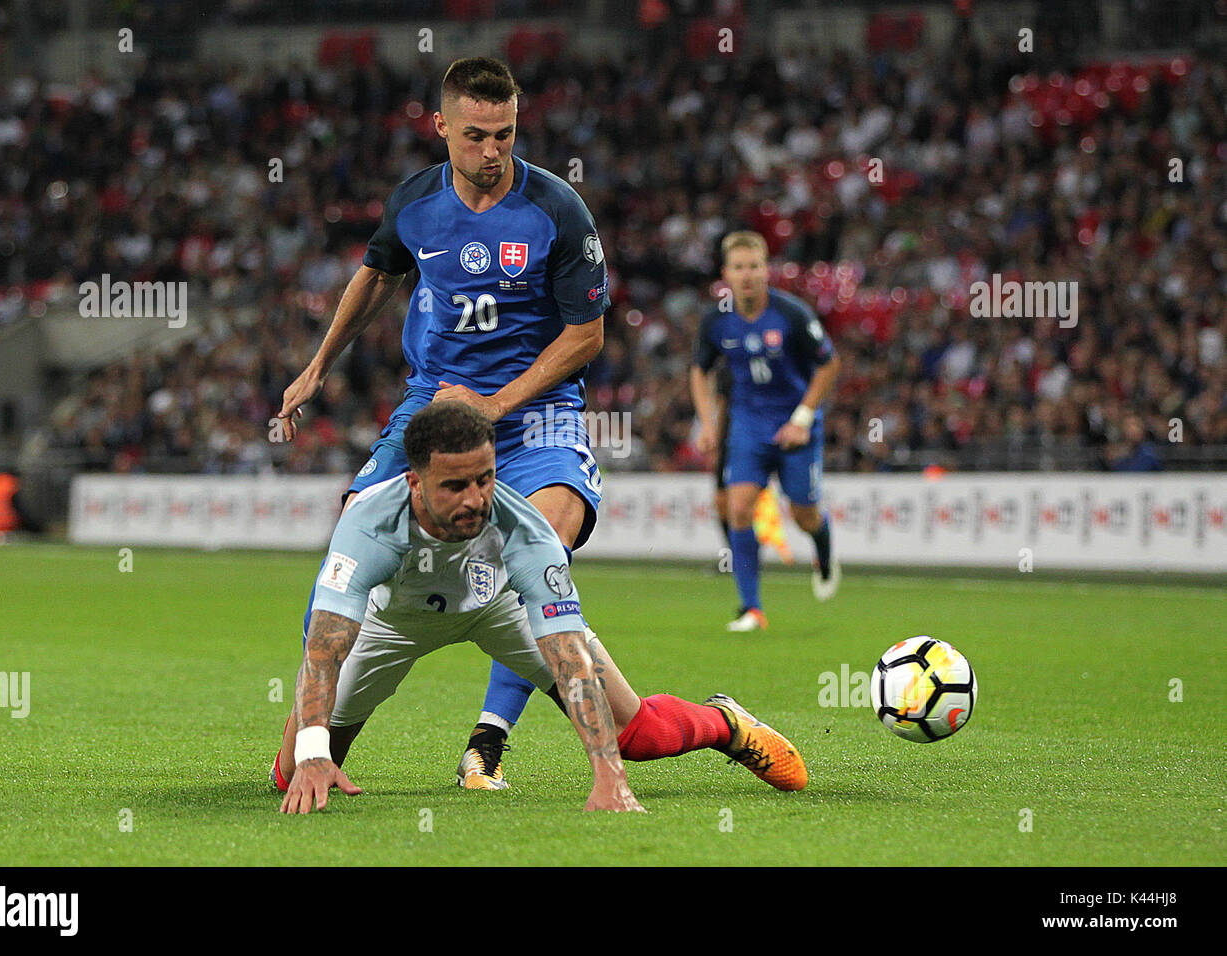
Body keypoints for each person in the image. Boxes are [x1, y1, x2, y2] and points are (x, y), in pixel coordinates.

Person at [276, 57, 609, 790]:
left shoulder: (557, 210)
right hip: (431, 407)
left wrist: (494, 405)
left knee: (540, 543)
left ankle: (489, 738)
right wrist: (318, 367)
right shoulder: (416, 202)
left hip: (535, 417)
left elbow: (586, 335)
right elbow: (377, 275)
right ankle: (314, 746)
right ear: (442, 128)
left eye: (506, 134)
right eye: (475, 135)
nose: (492, 152)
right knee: (350, 537)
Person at [276, 402, 808, 814]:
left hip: (499, 607)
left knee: (640, 737)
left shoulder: (525, 529)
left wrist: (607, 773)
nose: (474, 499)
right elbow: (325, 647)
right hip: (393, 626)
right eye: (455, 485)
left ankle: (724, 724)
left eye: (484, 480)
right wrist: (313, 754)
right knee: (290, 771)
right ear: (415, 482)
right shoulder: (369, 522)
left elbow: (566, 652)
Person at [690, 231, 842, 632]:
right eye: (739, 268)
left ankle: (824, 552)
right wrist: (707, 424)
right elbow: (698, 371)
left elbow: (829, 364)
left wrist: (803, 418)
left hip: (795, 427)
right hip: (747, 426)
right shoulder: (717, 321)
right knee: (739, 507)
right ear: (726, 273)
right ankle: (751, 608)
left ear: (766, 270)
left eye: (754, 267)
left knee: (803, 513)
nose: (747, 275)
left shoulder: (792, 314)